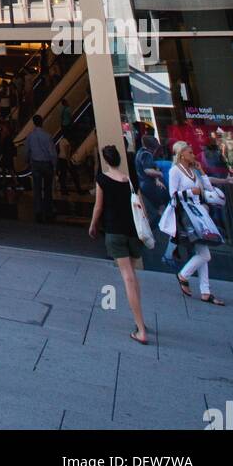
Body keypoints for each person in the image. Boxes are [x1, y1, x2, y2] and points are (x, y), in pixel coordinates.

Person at [89, 143, 149, 344]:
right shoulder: (129, 181)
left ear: (105, 160)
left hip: (115, 230)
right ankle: (140, 320)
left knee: (127, 277)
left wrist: (93, 225)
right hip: (132, 231)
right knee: (132, 275)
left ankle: (140, 328)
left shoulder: (103, 180)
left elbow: (98, 206)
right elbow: (142, 208)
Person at [169, 141, 226, 307]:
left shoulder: (193, 171)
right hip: (188, 214)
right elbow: (172, 195)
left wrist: (201, 172)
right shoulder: (175, 171)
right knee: (204, 254)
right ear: (182, 155)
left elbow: (208, 189)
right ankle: (184, 275)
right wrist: (189, 192)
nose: (194, 155)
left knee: (203, 251)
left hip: (199, 213)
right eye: (190, 153)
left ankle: (205, 291)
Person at [24, 114, 57, 223]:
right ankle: (48, 210)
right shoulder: (47, 136)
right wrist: (54, 165)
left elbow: (27, 150)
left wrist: (27, 160)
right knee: (48, 189)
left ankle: (38, 210)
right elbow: (52, 153)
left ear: (34, 123)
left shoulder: (30, 136)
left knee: (37, 189)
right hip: (47, 164)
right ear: (42, 122)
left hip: (35, 163)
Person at [135, 134, 168, 226]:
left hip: (144, 184)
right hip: (149, 184)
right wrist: (161, 174)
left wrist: (156, 178)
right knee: (160, 207)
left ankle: (158, 224)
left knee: (154, 208)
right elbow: (148, 170)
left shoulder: (140, 152)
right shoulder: (147, 154)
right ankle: (161, 226)